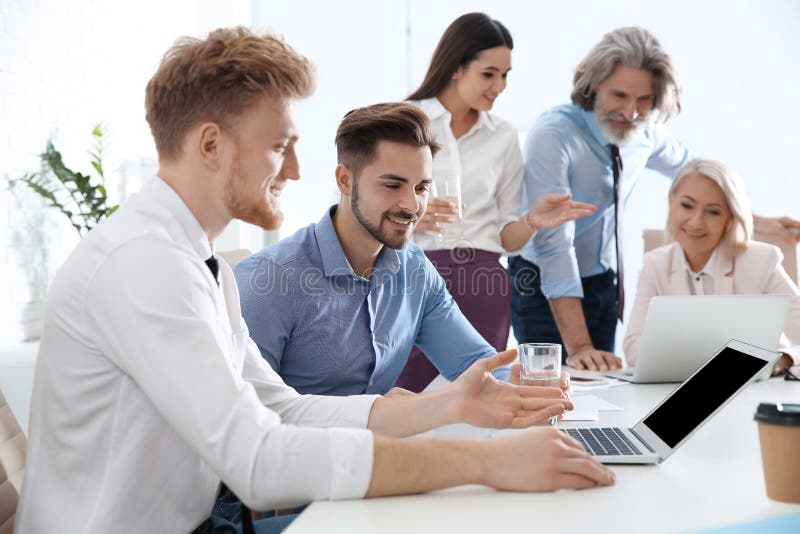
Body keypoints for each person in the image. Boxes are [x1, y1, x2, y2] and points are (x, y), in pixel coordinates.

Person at [14, 27, 614, 534]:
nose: (297, 171)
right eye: (281, 147)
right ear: (211, 145)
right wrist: (484, 464)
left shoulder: (200, 264)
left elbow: (283, 409)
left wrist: (451, 404)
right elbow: (257, 462)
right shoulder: (146, 265)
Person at [234, 102, 589, 399]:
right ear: (345, 180)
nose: (412, 205)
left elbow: (475, 365)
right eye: (393, 185)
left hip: (376, 452)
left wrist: (531, 382)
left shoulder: (416, 271)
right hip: (296, 459)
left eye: (421, 188)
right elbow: (246, 418)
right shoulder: (269, 279)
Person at [509, 26, 800, 373]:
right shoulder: (554, 135)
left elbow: (703, 178)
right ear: (594, 83)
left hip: (601, 282)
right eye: (619, 95)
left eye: (644, 100)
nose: (630, 113)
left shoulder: (646, 134)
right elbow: (554, 244)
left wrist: (754, 220)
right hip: (543, 282)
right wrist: (580, 345)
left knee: (600, 387)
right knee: (547, 388)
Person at [393, 12, 595, 393]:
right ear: (456, 67)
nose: (500, 86)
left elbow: (506, 239)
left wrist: (532, 220)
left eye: (505, 75)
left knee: (483, 395)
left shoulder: (503, 136)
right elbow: (356, 207)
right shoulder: (402, 122)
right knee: (401, 394)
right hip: (412, 276)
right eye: (489, 74)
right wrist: (407, 215)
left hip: (483, 285)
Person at [624, 158, 800, 372]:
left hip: (755, 385)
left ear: (730, 218)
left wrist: (783, 360)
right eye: (687, 206)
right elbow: (633, 348)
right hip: (679, 385)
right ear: (671, 201)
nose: (696, 222)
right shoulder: (655, 264)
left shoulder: (761, 261)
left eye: (713, 212)